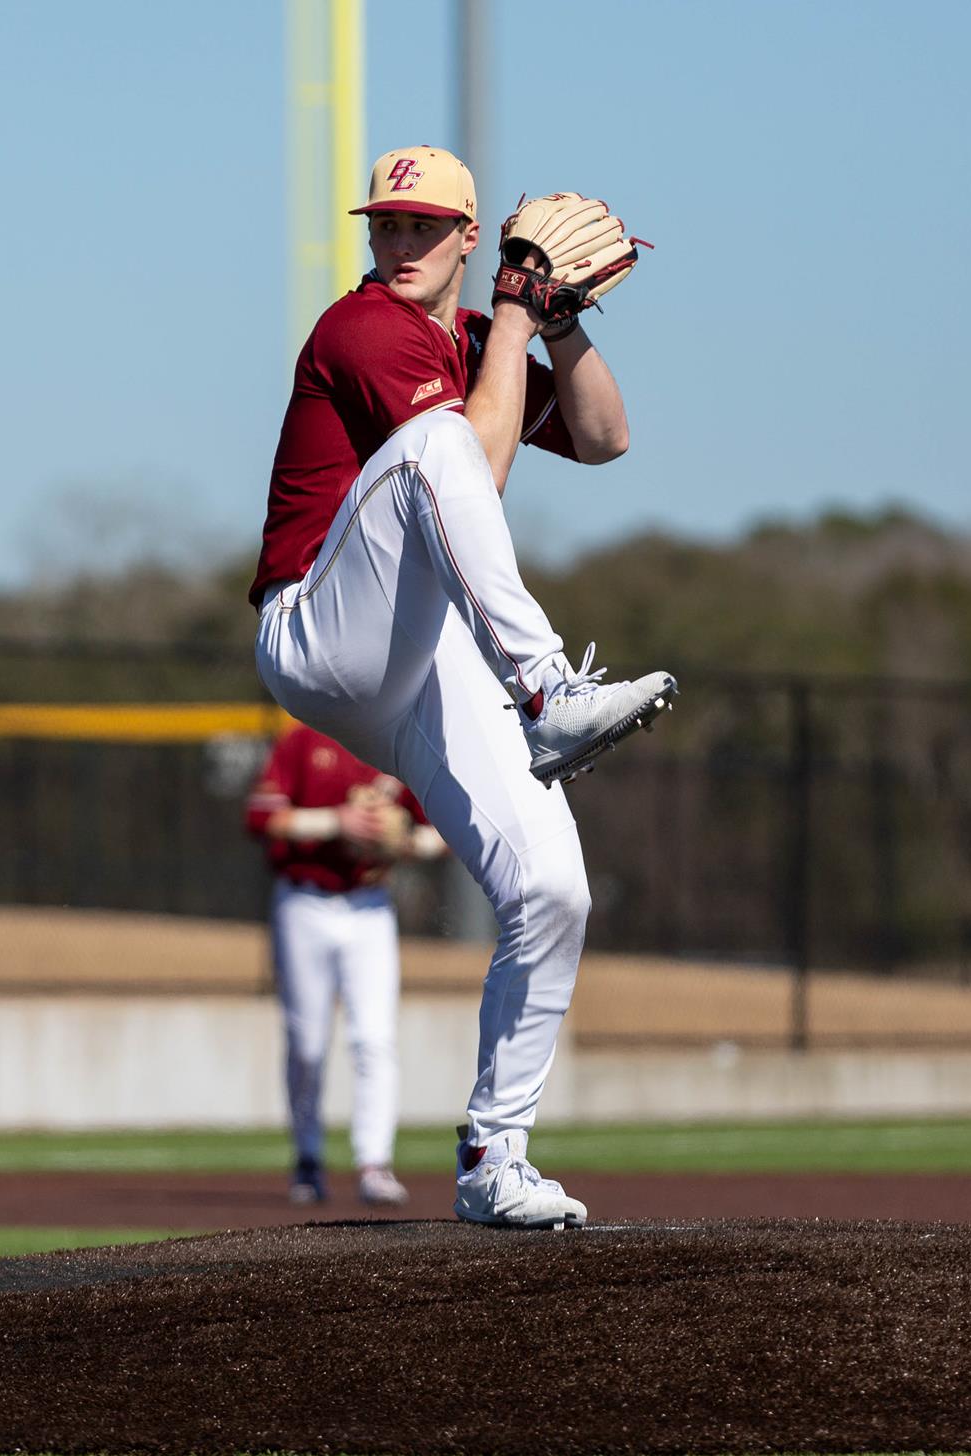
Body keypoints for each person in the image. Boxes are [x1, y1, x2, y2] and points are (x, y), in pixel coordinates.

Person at [248, 146, 677, 1228]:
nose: (396, 243)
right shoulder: (360, 328)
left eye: (419, 226)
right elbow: (469, 464)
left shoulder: (482, 342)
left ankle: (494, 1154)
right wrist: (516, 325)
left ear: (466, 239)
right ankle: (544, 690)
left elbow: (605, 435)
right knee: (439, 437)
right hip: (317, 627)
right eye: (384, 224)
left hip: (420, 656)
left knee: (552, 891)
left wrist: (559, 318)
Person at [245, 724, 447, 1208]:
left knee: (374, 1038)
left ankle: (374, 1163)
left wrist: (402, 843)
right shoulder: (302, 741)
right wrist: (338, 822)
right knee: (307, 1044)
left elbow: (442, 830)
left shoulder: (393, 740)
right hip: (304, 901)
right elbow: (262, 818)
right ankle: (308, 1160)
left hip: (369, 905)